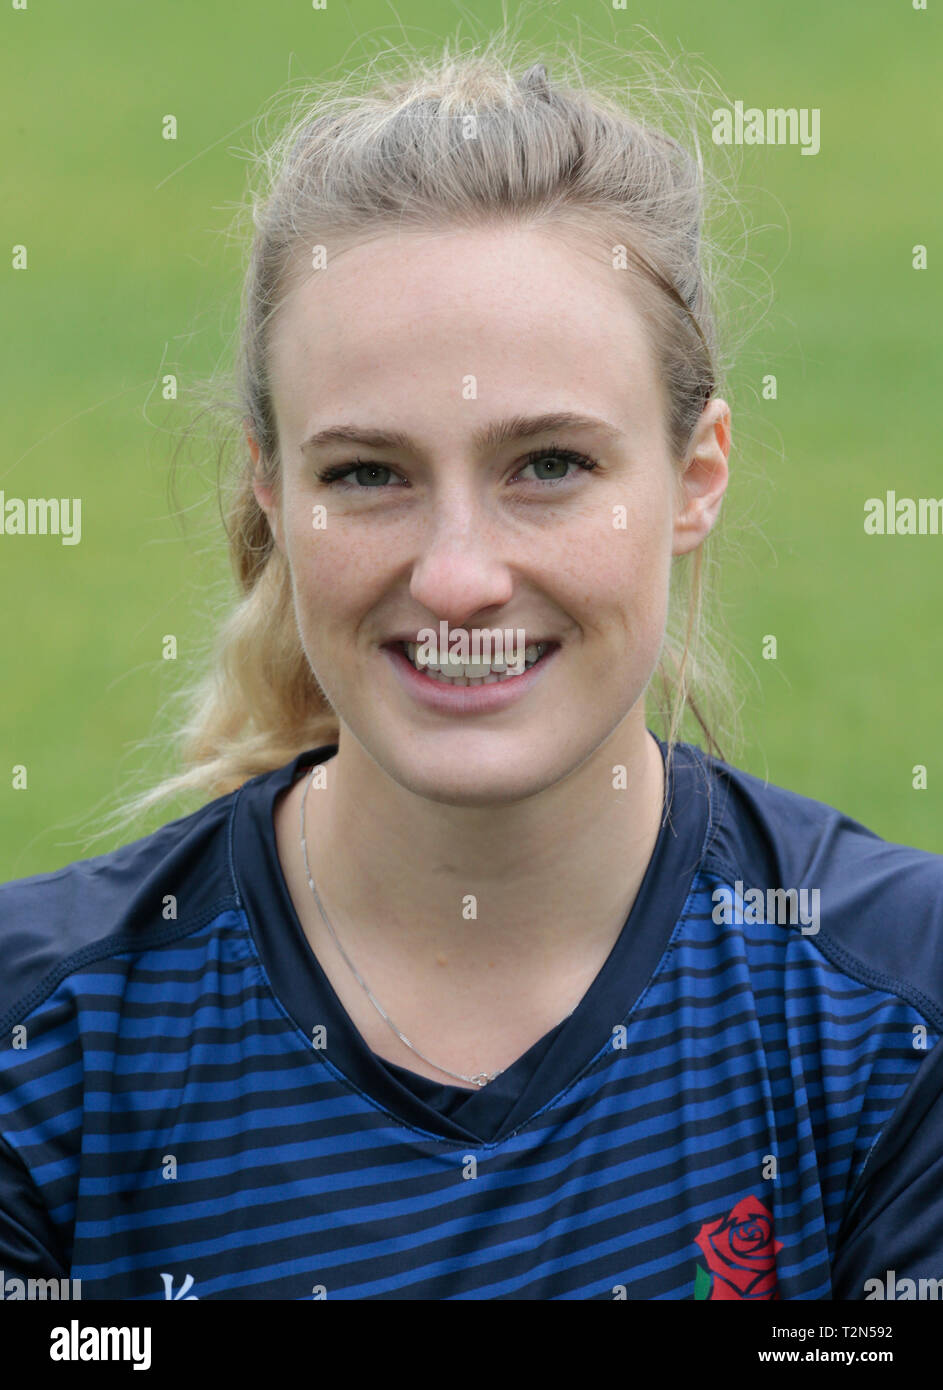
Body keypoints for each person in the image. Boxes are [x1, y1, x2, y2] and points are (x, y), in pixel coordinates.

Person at [1, 42, 941, 1303]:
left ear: (695, 474)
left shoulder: (894, 1012)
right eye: (366, 473)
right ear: (270, 495)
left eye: (547, 464)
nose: (457, 575)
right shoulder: (46, 1044)